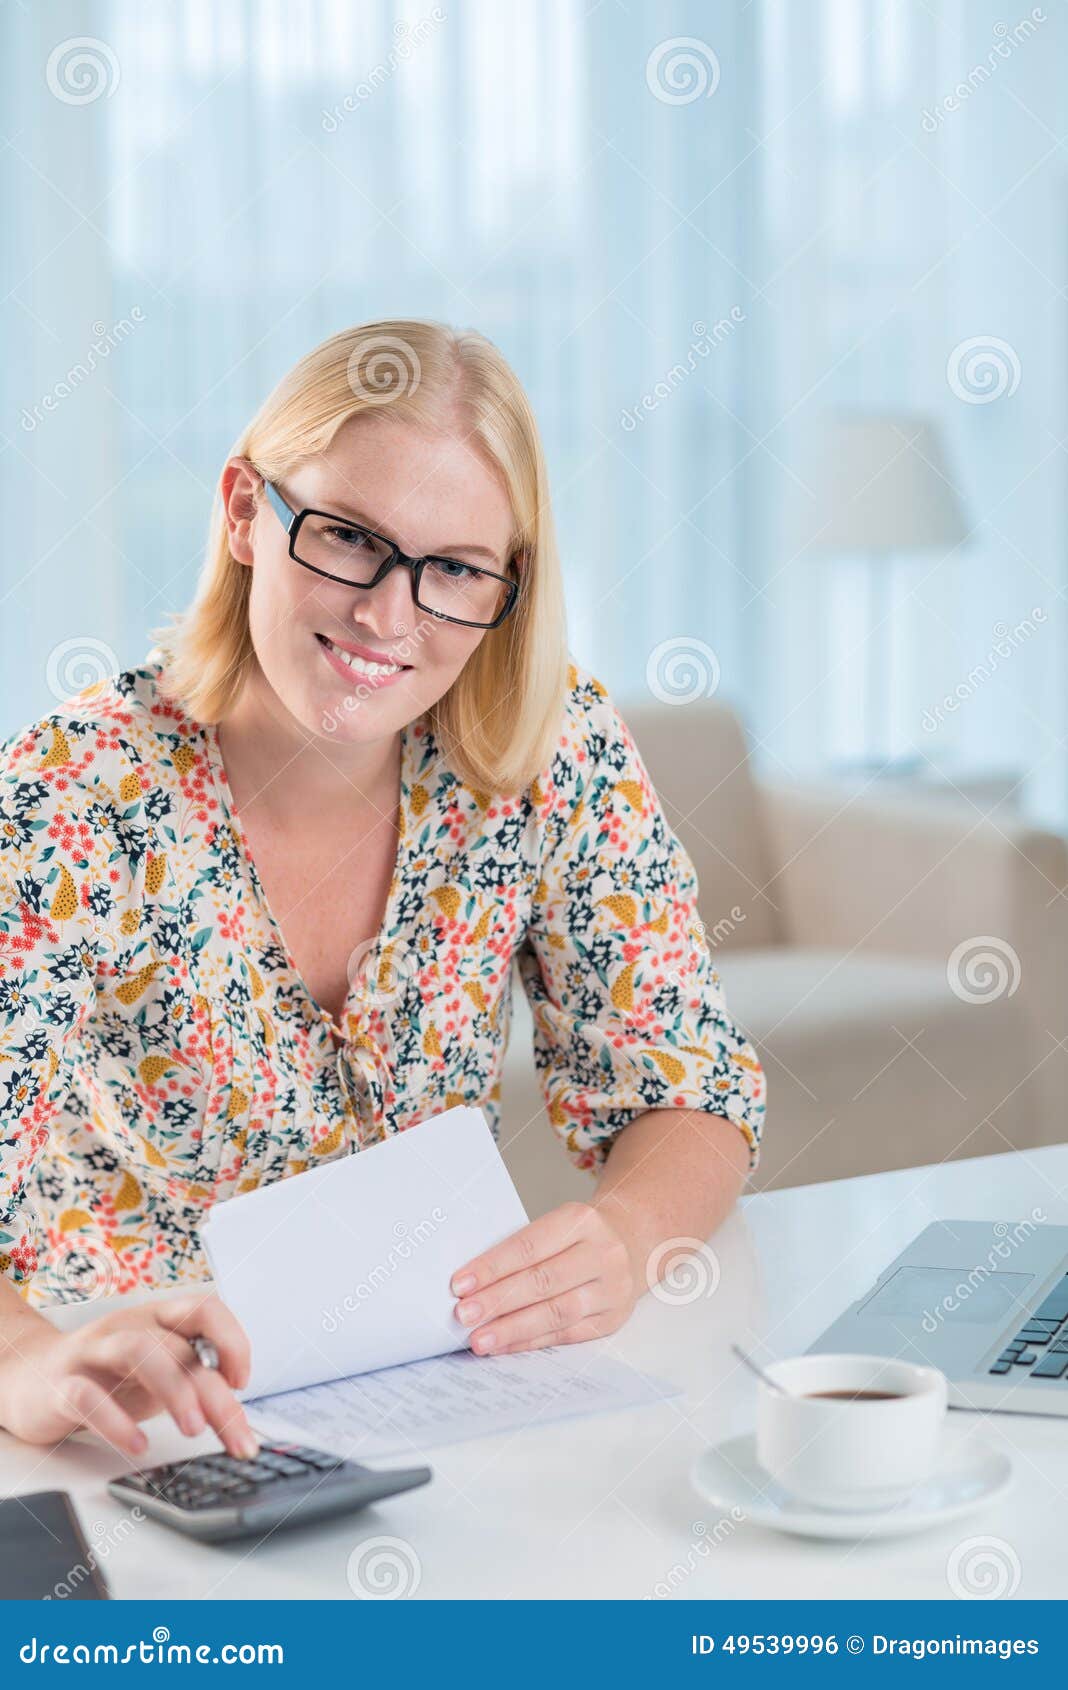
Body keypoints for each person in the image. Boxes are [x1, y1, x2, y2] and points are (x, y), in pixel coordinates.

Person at [0, 319, 765, 1464]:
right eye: (350, 539)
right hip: (135, 1425)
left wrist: (627, 1230)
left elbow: (690, 1081)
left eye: (455, 568)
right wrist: (28, 1364)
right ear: (244, 511)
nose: (387, 617)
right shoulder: (68, 798)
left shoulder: (556, 749)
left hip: (442, 1406)